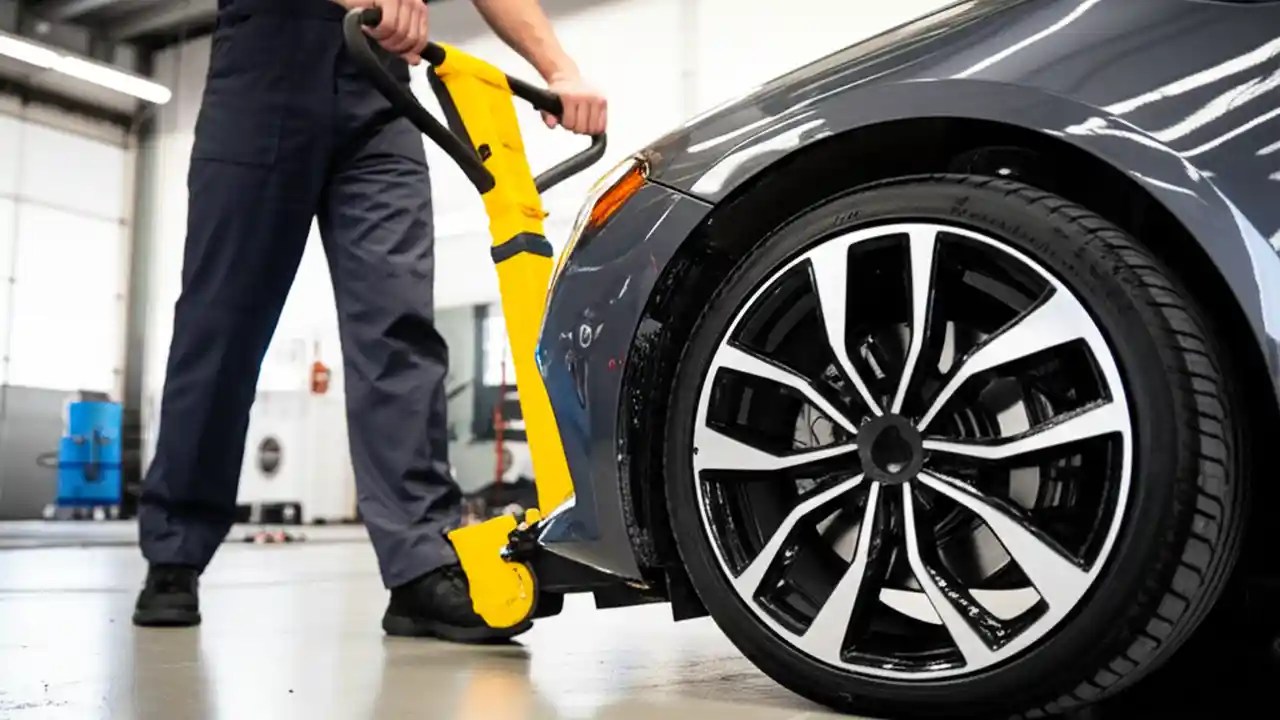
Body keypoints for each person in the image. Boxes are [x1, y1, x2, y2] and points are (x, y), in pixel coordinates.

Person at [131, 0, 606, 643]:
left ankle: (419, 566)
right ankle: (175, 551)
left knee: (399, 330)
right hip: (264, 68)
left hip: (380, 85)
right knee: (223, 325)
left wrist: (560, 67)